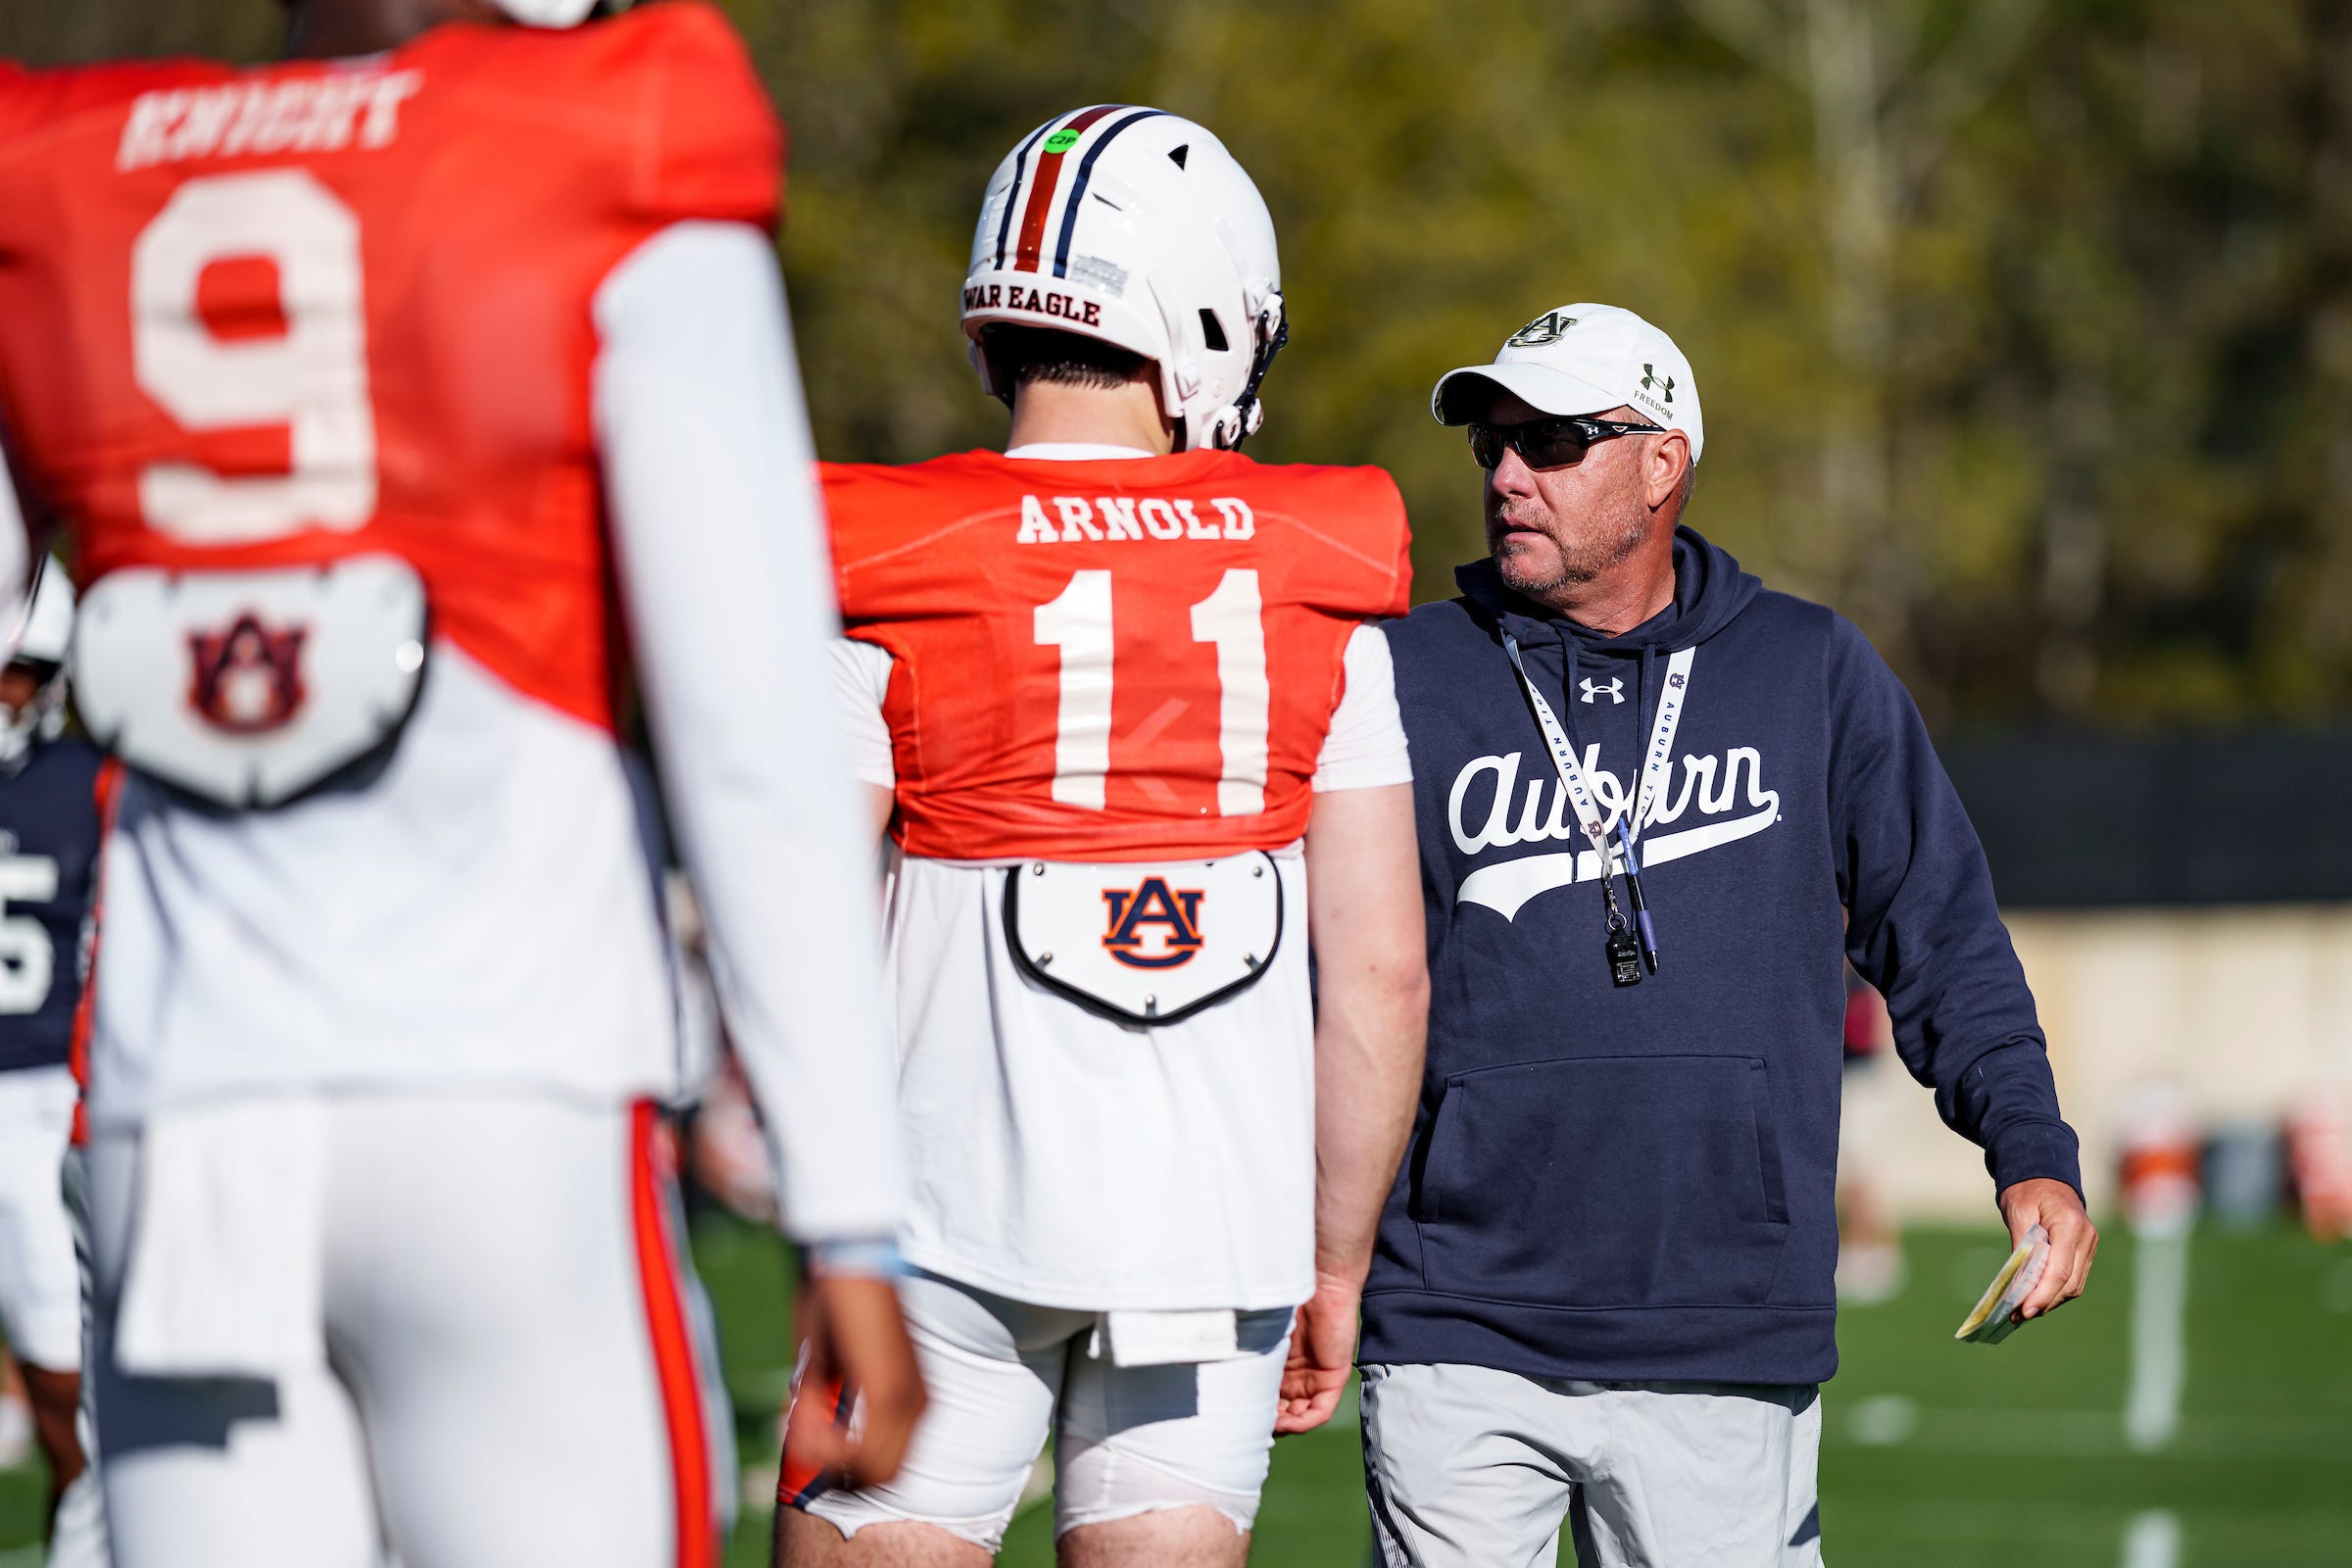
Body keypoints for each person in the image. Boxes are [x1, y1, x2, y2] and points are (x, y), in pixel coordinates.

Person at [0, 3, 923, 1564]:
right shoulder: (605, 135)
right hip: (506, 1091)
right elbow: (749, 721)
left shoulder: (65, 173)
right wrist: (850, 1208)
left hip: (186, 1114)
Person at [771, 107, 1430, 1568]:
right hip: (1215, 1236)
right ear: (1201, 319)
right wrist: (1334, 1258)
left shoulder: (890, 561)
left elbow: (796, 927)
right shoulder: (1318, 578)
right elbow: (1382, 976)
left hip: (941, 1221)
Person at [1361, 304, 2098, 1567]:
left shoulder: (1811, 670)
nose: (1506, 476)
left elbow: (1943, 933)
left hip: (1719, 1325)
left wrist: (2028, 1145)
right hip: (1455, 1320)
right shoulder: (1399, 673)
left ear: (1662, 462)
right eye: (1492, 445)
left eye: (1551, 441)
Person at [0, 567, 105, 1556]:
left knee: (70, 1394)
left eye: (20, 674)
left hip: (43, 1105)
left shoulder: (90, 784)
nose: (5, 695)